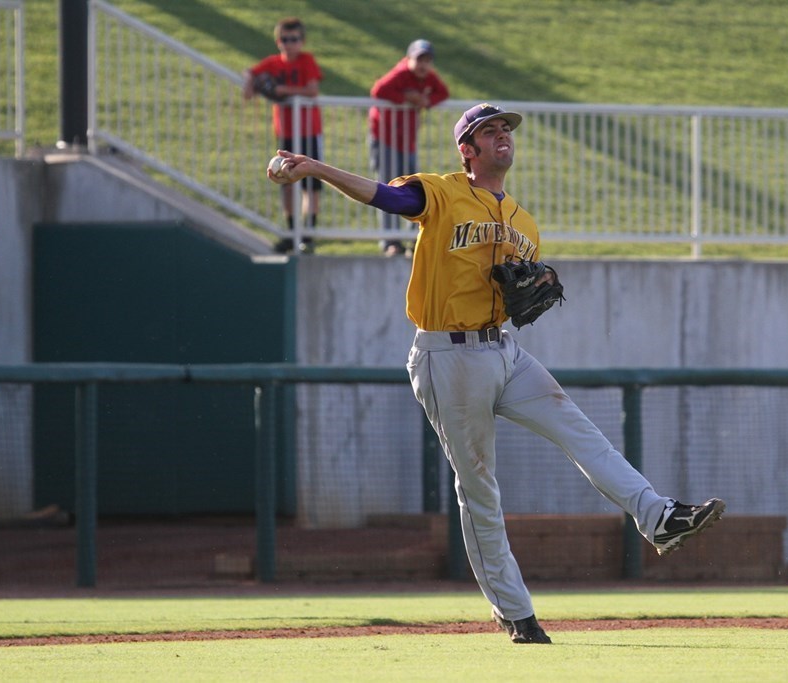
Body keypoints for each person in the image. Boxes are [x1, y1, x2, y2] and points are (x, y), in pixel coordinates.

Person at [268, 103, 726, 645]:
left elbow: (519, 293)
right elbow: (386, 197)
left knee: (581, 430)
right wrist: (316, 168)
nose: (503, 134)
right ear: (468, 149)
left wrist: (538, 284)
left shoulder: (524, 221)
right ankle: (515, 612)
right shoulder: (441, 193)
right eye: (489, 130)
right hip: (448, 356)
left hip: (503, 350)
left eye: (506, 128)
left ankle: (659, 517)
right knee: (480, 487)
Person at [244, 17, 323, 254]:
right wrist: (249, 82)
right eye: (285, 39)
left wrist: (282, 90)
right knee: (286, 182)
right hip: (286, 131)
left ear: (302, 41)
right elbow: (251, 72)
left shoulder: (306, 60)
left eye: (294, 39)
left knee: (311, 184)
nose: (290, 44)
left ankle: (308, 234)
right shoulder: (273, 63)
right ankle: (291, 233)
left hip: (309, 130)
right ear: (279, 41)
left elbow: (312, 90)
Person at [368, 39, 449, 256]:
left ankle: (414, 239)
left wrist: (426, 101)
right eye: (419, 59)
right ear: (409, 58)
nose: (423, 65)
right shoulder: (401, 73)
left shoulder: (429, 77)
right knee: (387, 187)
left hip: (407, 141)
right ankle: (390, 242)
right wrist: (407, 98)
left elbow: (443, 92)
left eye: (427, 60)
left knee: (413, 188)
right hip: (385, 138)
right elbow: (378, 90)